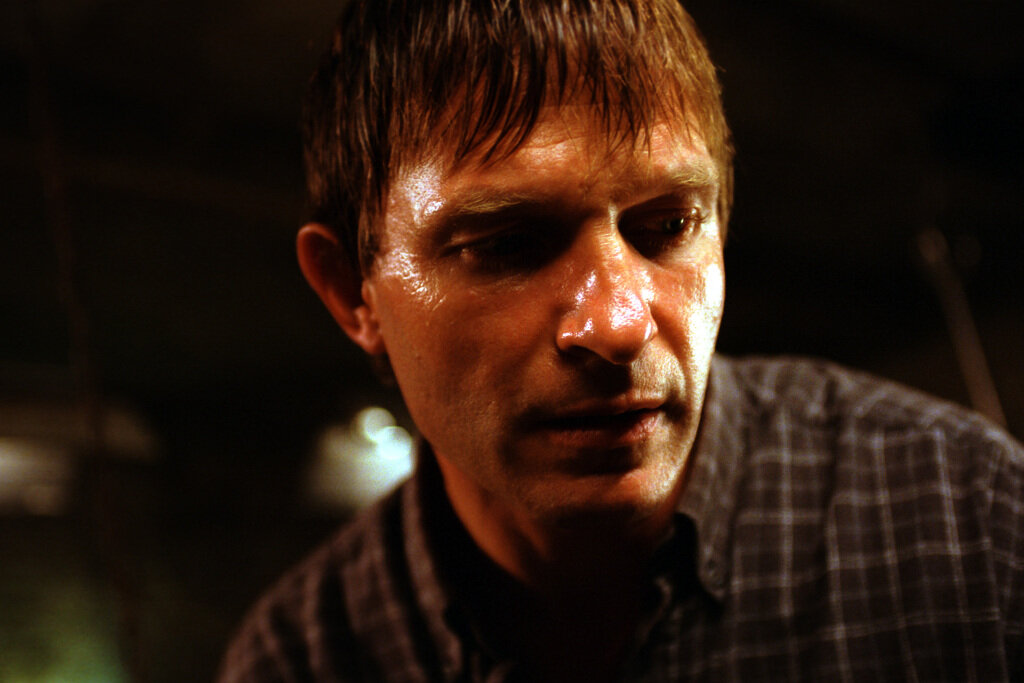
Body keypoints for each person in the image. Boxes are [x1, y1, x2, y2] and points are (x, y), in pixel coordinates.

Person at [218, 1, 1024, 680]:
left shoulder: (972, 526)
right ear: (351, 291)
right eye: (507, 244)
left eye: (668, 227)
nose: (618, 323)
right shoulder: (299, 660)